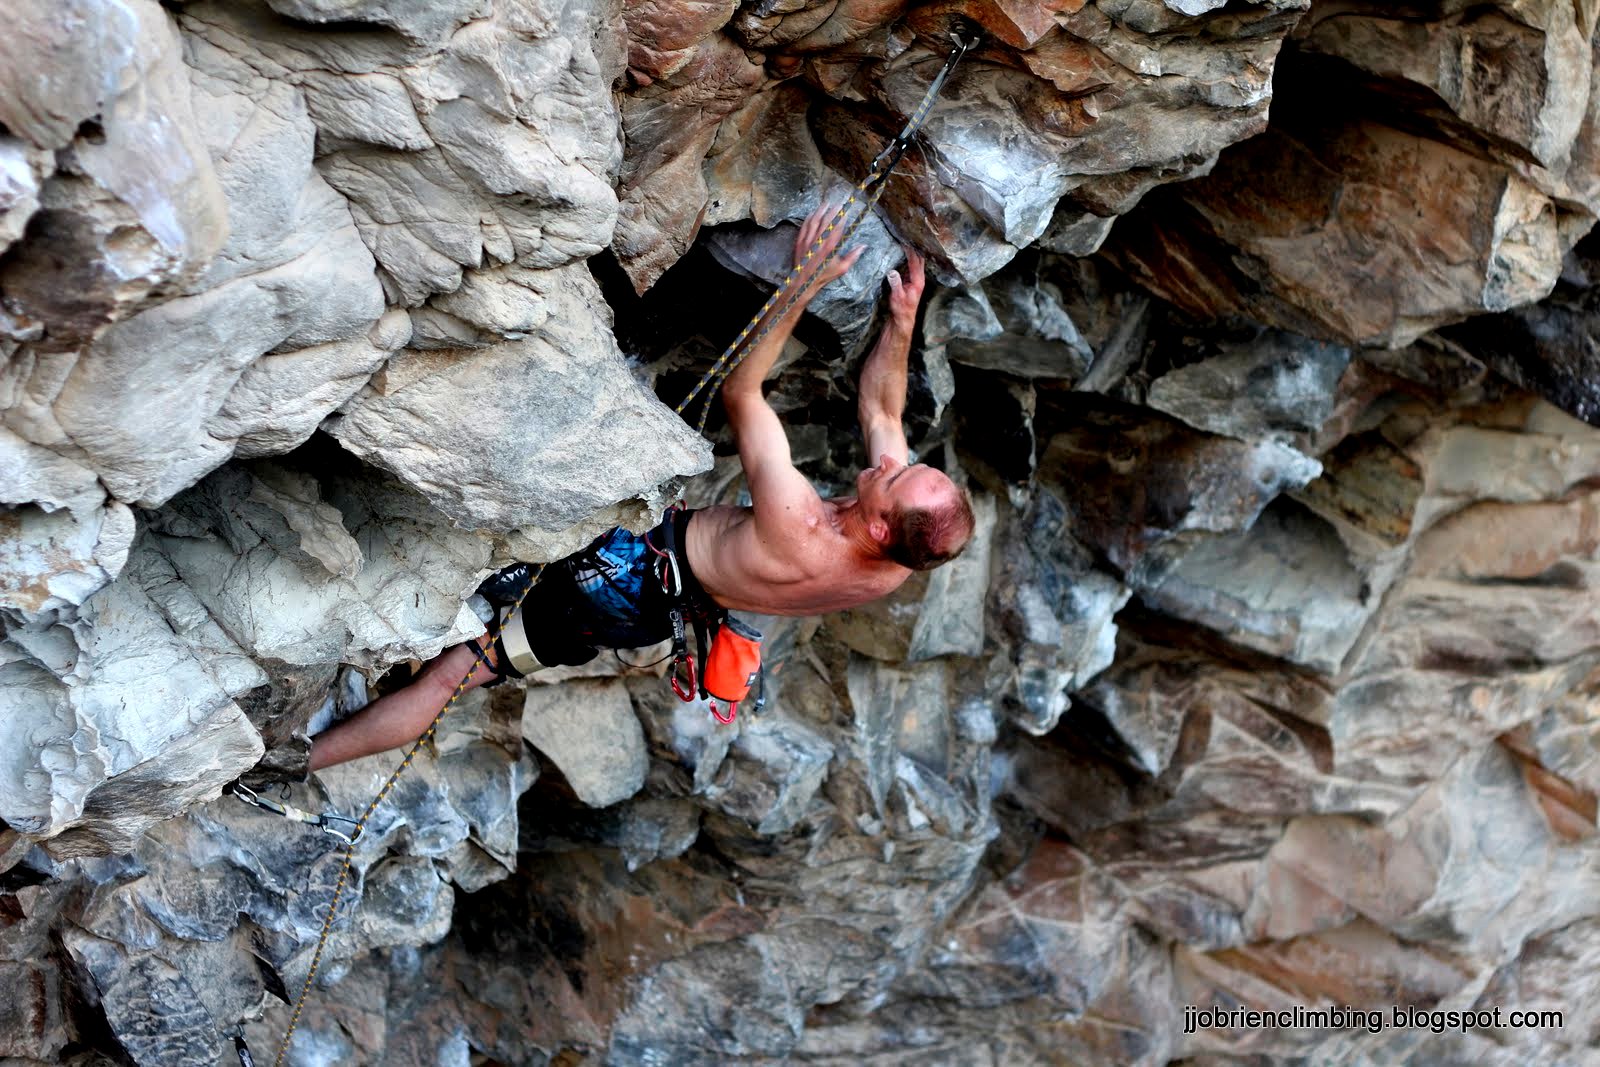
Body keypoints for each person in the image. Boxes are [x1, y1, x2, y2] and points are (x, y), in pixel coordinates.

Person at [308, 203, 976, 771]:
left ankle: (307, 730)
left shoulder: (798, 521)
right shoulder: (903, 554)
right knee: (464, 669)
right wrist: (904, 319)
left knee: (454, 657)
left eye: (895, 478)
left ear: (883, 526)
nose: (889, 463)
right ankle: (312, 749)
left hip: (624, 569)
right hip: (650, 614)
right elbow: (884, 414)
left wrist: (801, 285)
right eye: (909, 464)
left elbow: (742, 391)